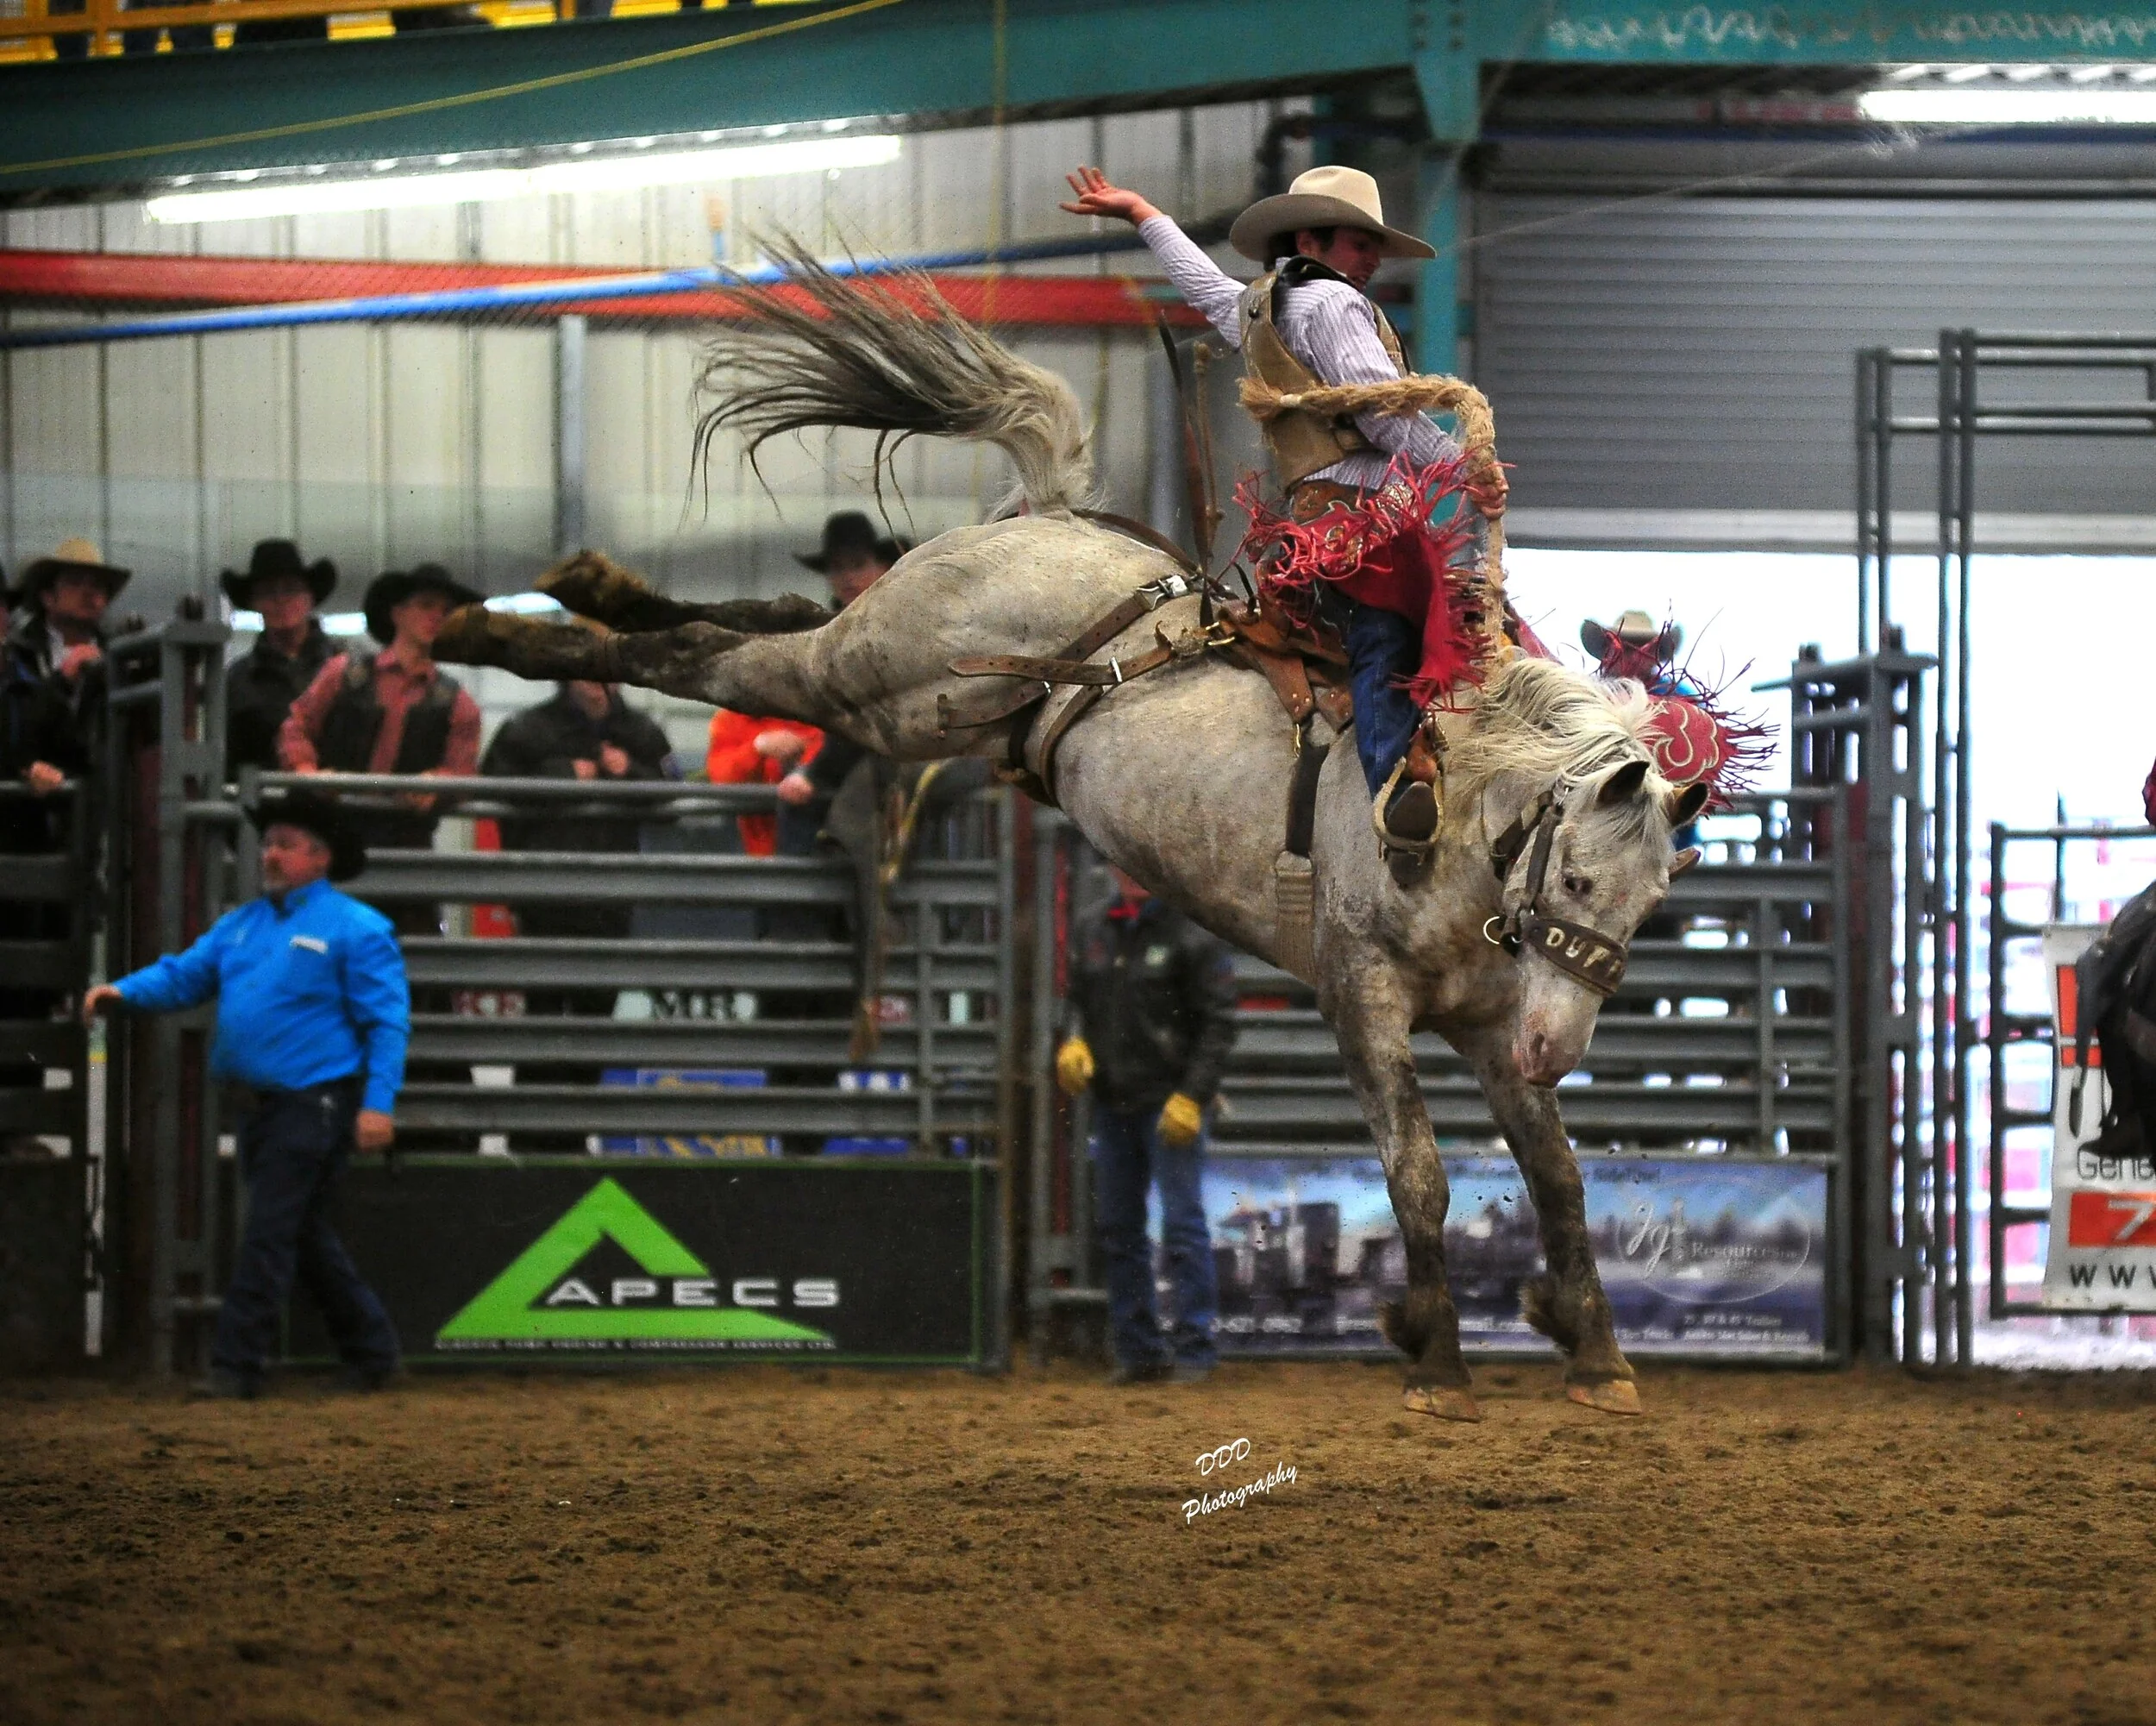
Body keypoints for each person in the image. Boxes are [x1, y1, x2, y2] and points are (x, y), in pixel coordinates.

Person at [1061, 164, 1508, 883]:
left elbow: (1204, 287)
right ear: (1310, 240)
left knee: (1397, 633)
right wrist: (1464, 468)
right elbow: (1379, 413)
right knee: (1393, 635)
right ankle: (1396, 788)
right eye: (1360, 242)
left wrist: (1146, 216)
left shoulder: (1263, 306)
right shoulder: (1336, 303)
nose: (1371, 258)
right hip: (1365, 521)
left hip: (1311, 520)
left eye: (1373, 244)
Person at [82, 791, 406, 1399]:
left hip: (313, 1101)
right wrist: (124, 991)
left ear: (320, 857)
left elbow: (386, 1023)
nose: (271, 854)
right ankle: (371, 1349)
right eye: (270, 842)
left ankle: (237, 1365)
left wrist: (377, 1103)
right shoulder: (242, 925)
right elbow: (184, 974)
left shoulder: (356, 928)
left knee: (270, 1231)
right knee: (297, 1230)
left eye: (286, 844)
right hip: (273, 1105)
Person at [1056, 864, 1238, 1385]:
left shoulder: (1193, 932)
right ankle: (1139, 1350)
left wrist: (1192, 1096)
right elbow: (1077, 1002)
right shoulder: (1094, 927)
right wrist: (1074, 1039)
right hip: (1114, 1100)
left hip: (1169, 1099)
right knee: (1120, 1227)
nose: (1133, 872)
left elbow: (1219, 1024)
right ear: (1114, 866)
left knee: (1180, 1224)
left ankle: (1194, 1348)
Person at [480, 679, 674, 1018]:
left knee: (598, 1006)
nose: (598, 678)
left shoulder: (641, 731)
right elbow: (492, 784)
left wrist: (629, 772)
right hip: (543, 892)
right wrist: (561, 776)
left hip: (610, 894)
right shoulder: (527, 728)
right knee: (543, 1006)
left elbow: (672, 796)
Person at [278, 562, 484, 865]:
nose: (438, 616)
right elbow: (297, 726)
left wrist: (440, 784)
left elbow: (463, 773)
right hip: (328, 836)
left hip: (405, 848)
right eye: (426, 605)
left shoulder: (459, 703)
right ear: (397, 613)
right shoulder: (343, 674)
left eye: (447, 611)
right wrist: (306, 771)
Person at [2, 570, 91, 1127]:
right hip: (23, 874)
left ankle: (17, 1127)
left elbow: (81, 770)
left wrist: (53, 779)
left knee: (22, 997)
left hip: (22, 882)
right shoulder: (35, 691)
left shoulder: (37, 697)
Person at [772, 512, 905, 856]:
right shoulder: (829, 633)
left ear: (883, 568)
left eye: (857, 564)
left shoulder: (889, 627)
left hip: (883, 771)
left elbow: (863, 714)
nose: (847, 577)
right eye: (837, 568)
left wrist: (813, 775)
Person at [222, 538, 339, 779]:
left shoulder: (346, 667)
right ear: (254, 603)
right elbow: (229, 762)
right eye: (267, 592)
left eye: (291, 589)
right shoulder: (237, 679)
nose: (280, 599)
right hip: (266, 799)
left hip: (342, 796)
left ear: (310, 597)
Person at [7, 537, 127, 737]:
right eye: (75, 582)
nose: (88, 592)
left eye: (98, 585)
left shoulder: (122, 654)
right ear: (48, 597)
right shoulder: (17, 656)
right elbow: (15, 727)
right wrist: (63, 680)